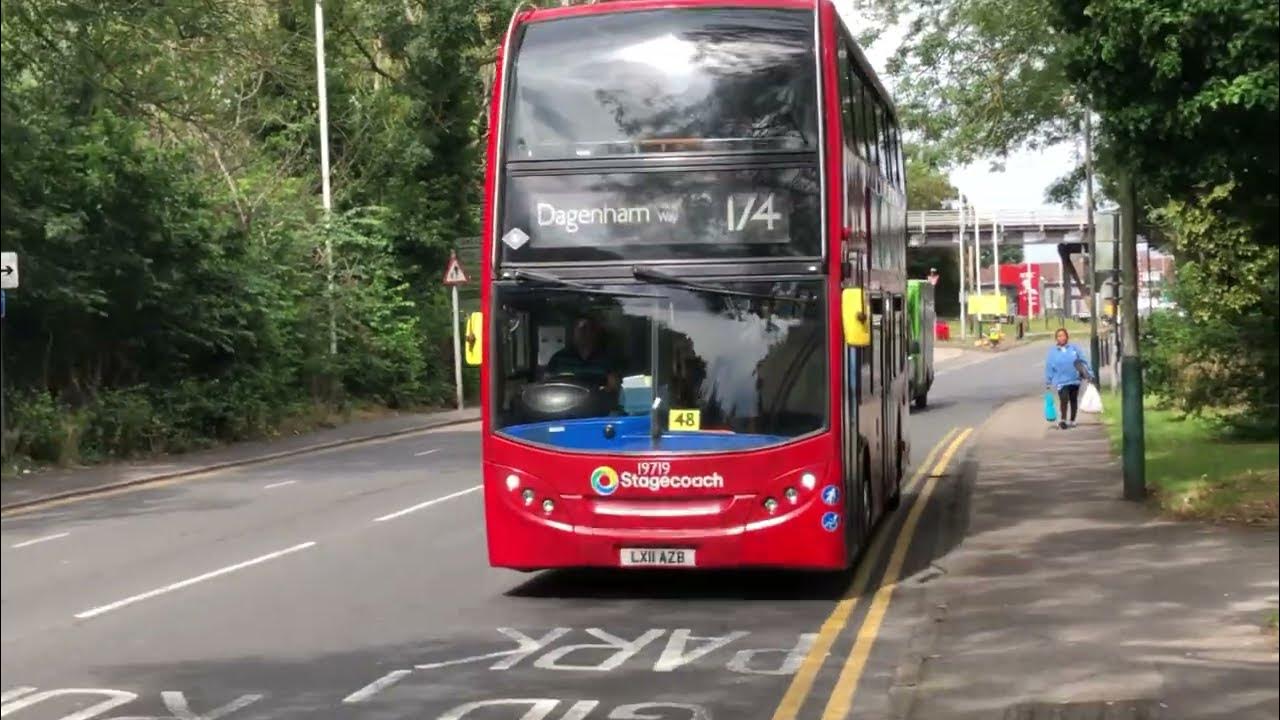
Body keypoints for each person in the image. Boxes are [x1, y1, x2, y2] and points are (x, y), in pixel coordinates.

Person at [546, 316, 620, 392]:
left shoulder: (606, 359)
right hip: (563, 400)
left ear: (595, 333)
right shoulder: (559, 358)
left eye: (586, 329)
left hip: (595, 401)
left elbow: (613, 387)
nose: (582, 333)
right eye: (579, 329)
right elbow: (546, 384)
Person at [1045, 327, 1094, 429]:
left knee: (1073, 400)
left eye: (1063, 335)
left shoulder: (1074, 349)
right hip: (1061, 381)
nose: (1061, 338)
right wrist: (1048, 381)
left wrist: (1089, 373)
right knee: (1063, 399)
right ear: (1056, 338)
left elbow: (1083, 361)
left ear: (1067, 337)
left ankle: (1072, 420)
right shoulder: (1053, 352)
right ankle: (1063, 420)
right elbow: (1049, 366)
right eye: (1059, 336)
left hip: (1075, 379)